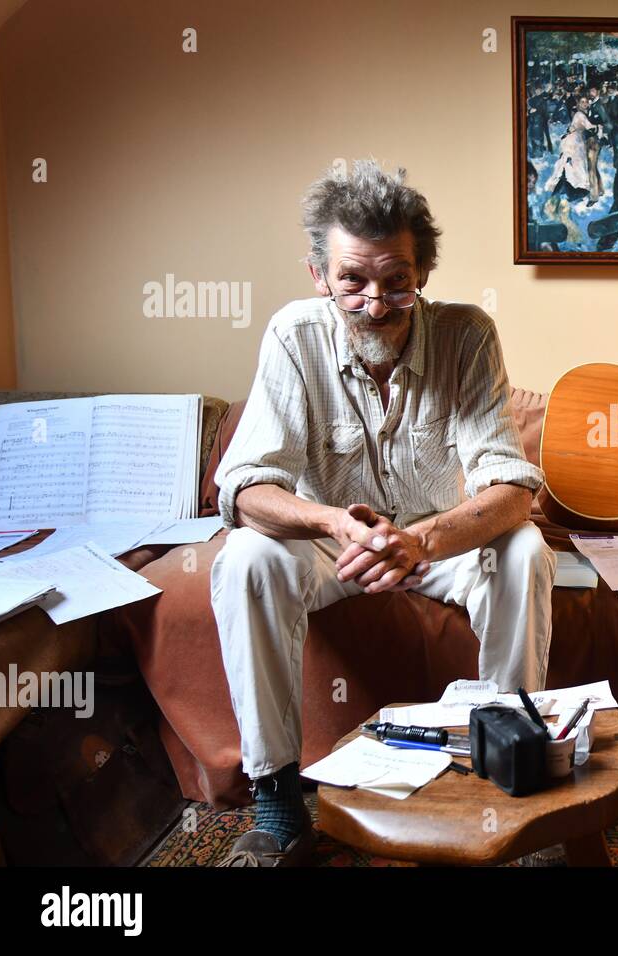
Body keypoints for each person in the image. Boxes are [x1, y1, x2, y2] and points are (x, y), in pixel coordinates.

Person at [212, 159, 553, 866]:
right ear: (318, 275)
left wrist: (423, 540)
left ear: (422, 273)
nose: (375, 301)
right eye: (352, 280)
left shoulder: (467, 334)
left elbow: (513, 489)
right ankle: (277, 800)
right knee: (244, 555)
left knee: (525, 551)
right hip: (328, 541)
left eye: (395, 279)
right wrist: (335, 523)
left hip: (436, 540)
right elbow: (246, 488)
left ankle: (509, 769)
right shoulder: (292, 335)